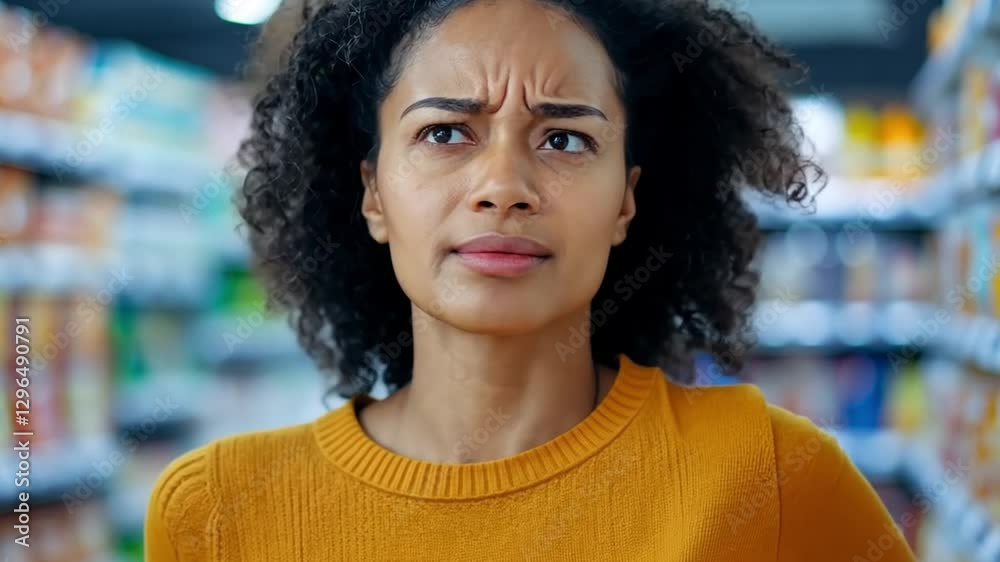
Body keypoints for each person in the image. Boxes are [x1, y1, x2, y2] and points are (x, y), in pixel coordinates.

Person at [145, 0, 916, 560]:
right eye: (445, 133)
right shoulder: (216, 512)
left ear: (627, 200)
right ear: (373, 194)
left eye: (565, 138)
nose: (503, 184)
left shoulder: (772, 478)